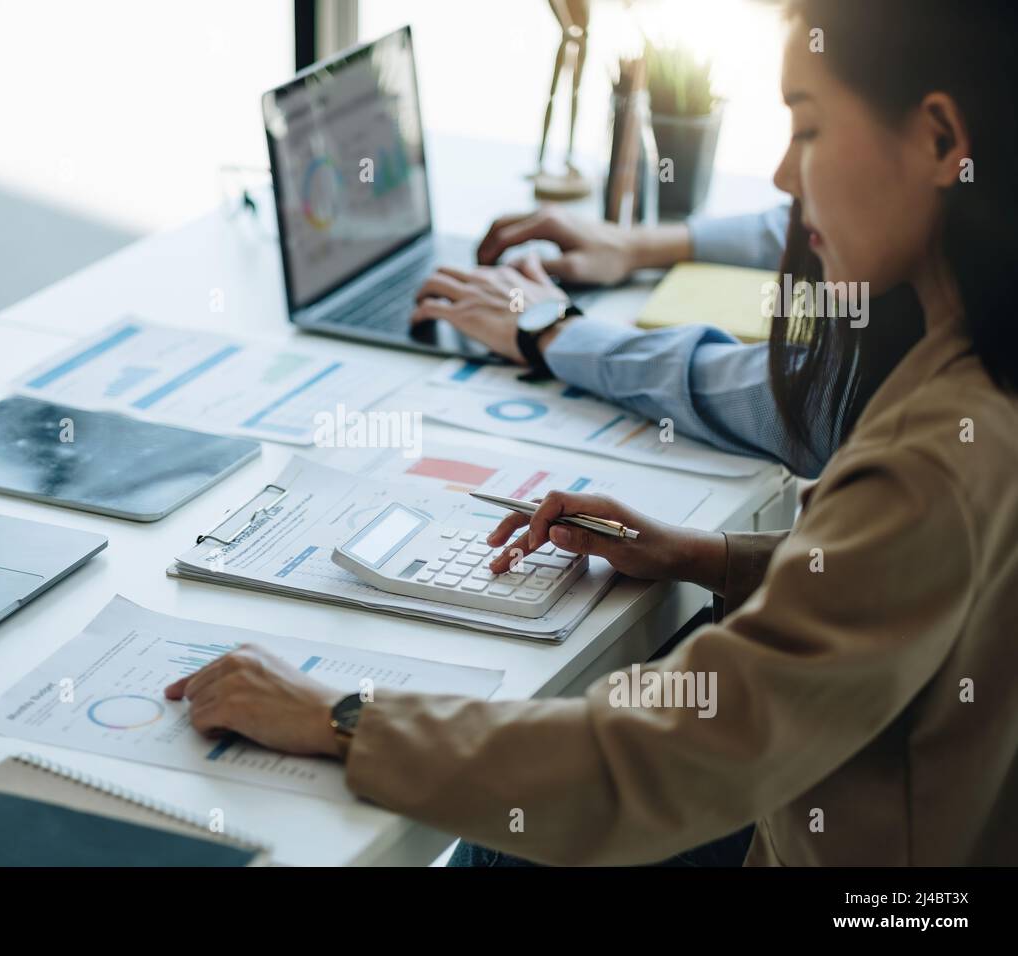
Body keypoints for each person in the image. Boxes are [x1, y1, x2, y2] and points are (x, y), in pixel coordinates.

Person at [166, 0, 1018, 866]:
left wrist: (341, 717)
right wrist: (705, 558)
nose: (782, 178)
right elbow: (913, 586)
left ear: (944, 143)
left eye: (807, 128)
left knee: (505, 835)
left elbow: (667, 754)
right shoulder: (976, 389)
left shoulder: (932, 455)